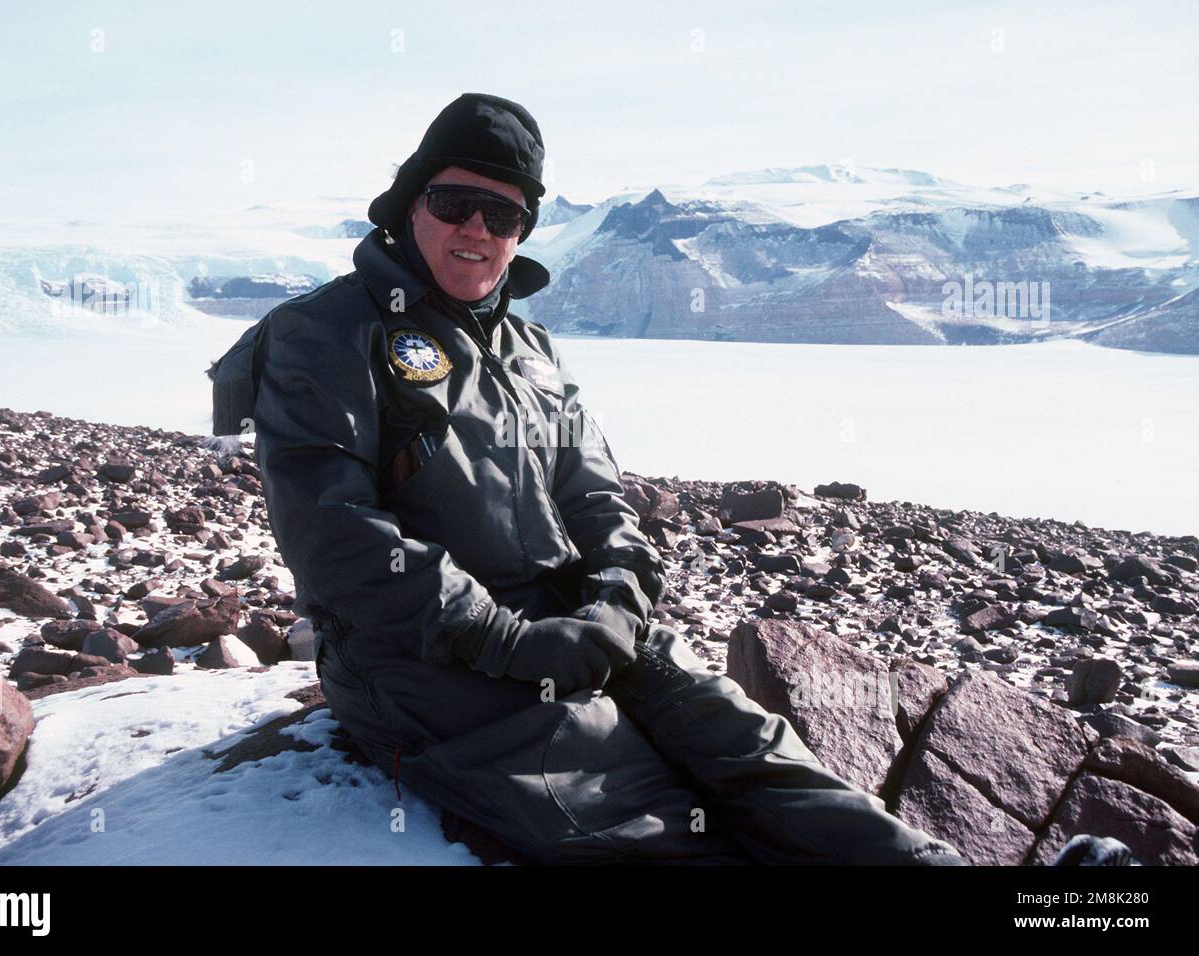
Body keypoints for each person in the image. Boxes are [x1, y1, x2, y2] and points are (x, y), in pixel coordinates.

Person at [247, 92, 1133, 866]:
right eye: (455, 202)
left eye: (504, 215)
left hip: (573, 626)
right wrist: (505, 640)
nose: (478, 230)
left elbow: (597, 495)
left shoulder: (524, 346)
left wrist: (616, 597)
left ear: (523, 232)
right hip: (422, 667)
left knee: (752, 753)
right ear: (411, 204)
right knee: (653, 825)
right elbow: (335, 535)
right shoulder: (323, 336)